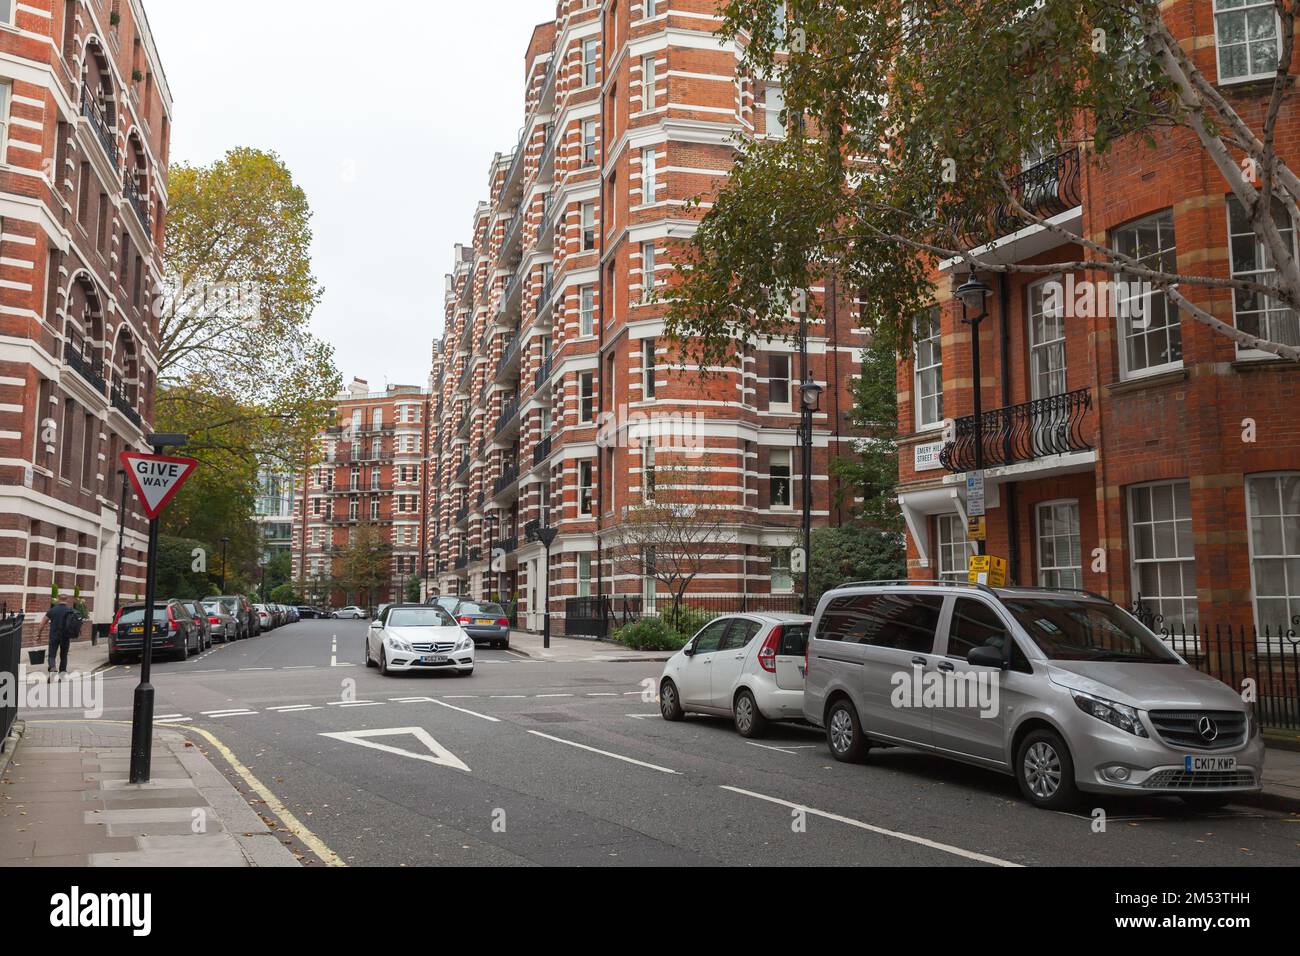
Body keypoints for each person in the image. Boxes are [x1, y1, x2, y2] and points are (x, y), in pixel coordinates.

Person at [43, 595, 77, 679]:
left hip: (54, 636)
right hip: (65, 637)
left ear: (58, 599)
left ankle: (53, 668)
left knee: (52, 655)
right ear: (67, 600)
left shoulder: (52, 610)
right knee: (64, 656)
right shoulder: (70, 611)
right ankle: (62, 674)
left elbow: (42, 623)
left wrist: (38, 634)